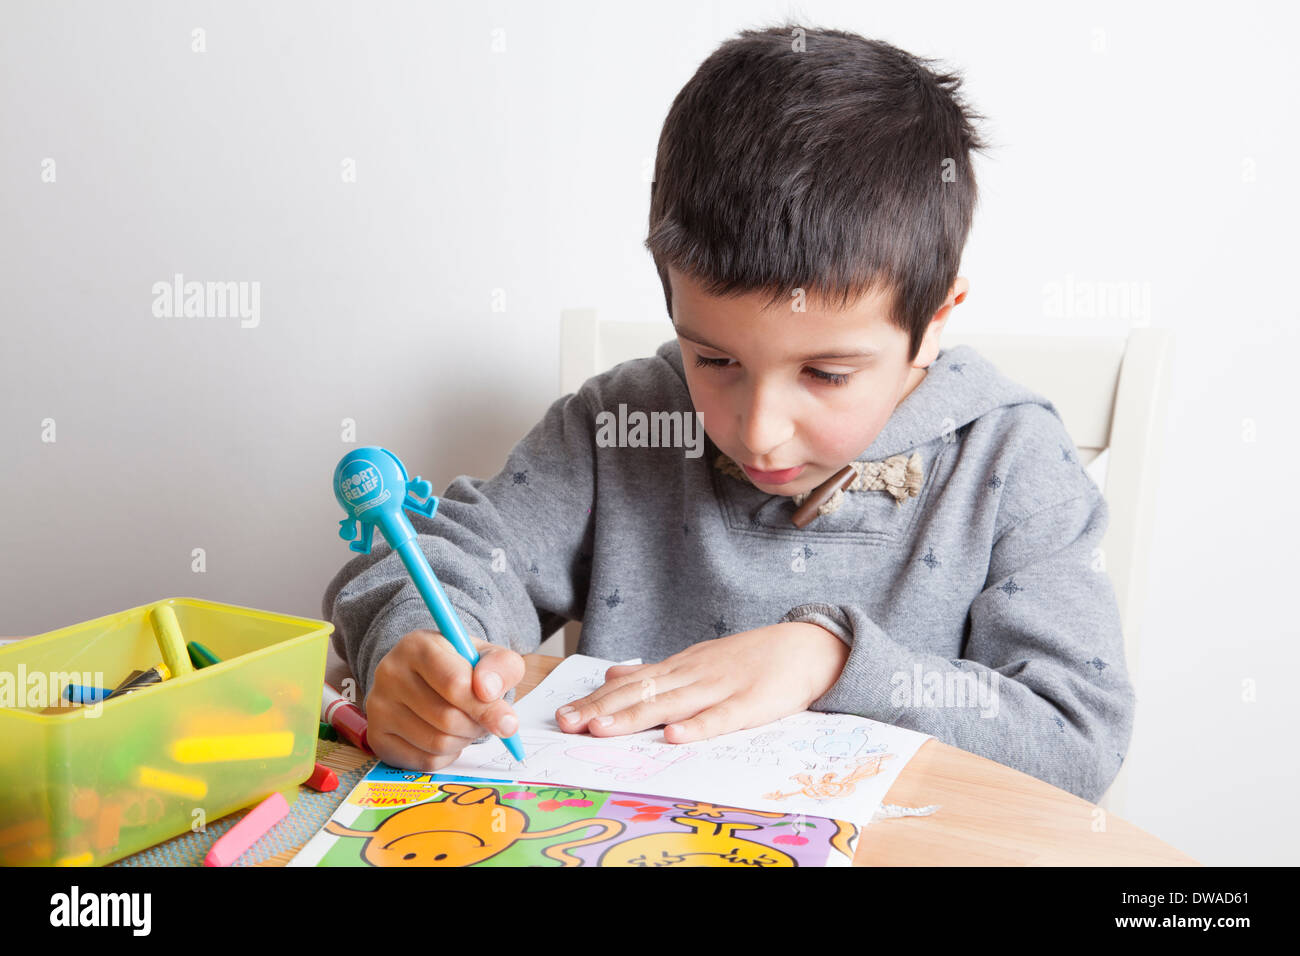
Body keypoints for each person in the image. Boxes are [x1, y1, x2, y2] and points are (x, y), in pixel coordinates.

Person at [323, 23, 1134, 803]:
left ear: (935, 321)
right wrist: (412, 655)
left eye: (824, 371)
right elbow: (438, 559)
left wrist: (830, 661)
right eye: (715, 360)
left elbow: (1075, 737)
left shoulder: (1014, 461)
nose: (758, 429)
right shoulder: (622, 424)